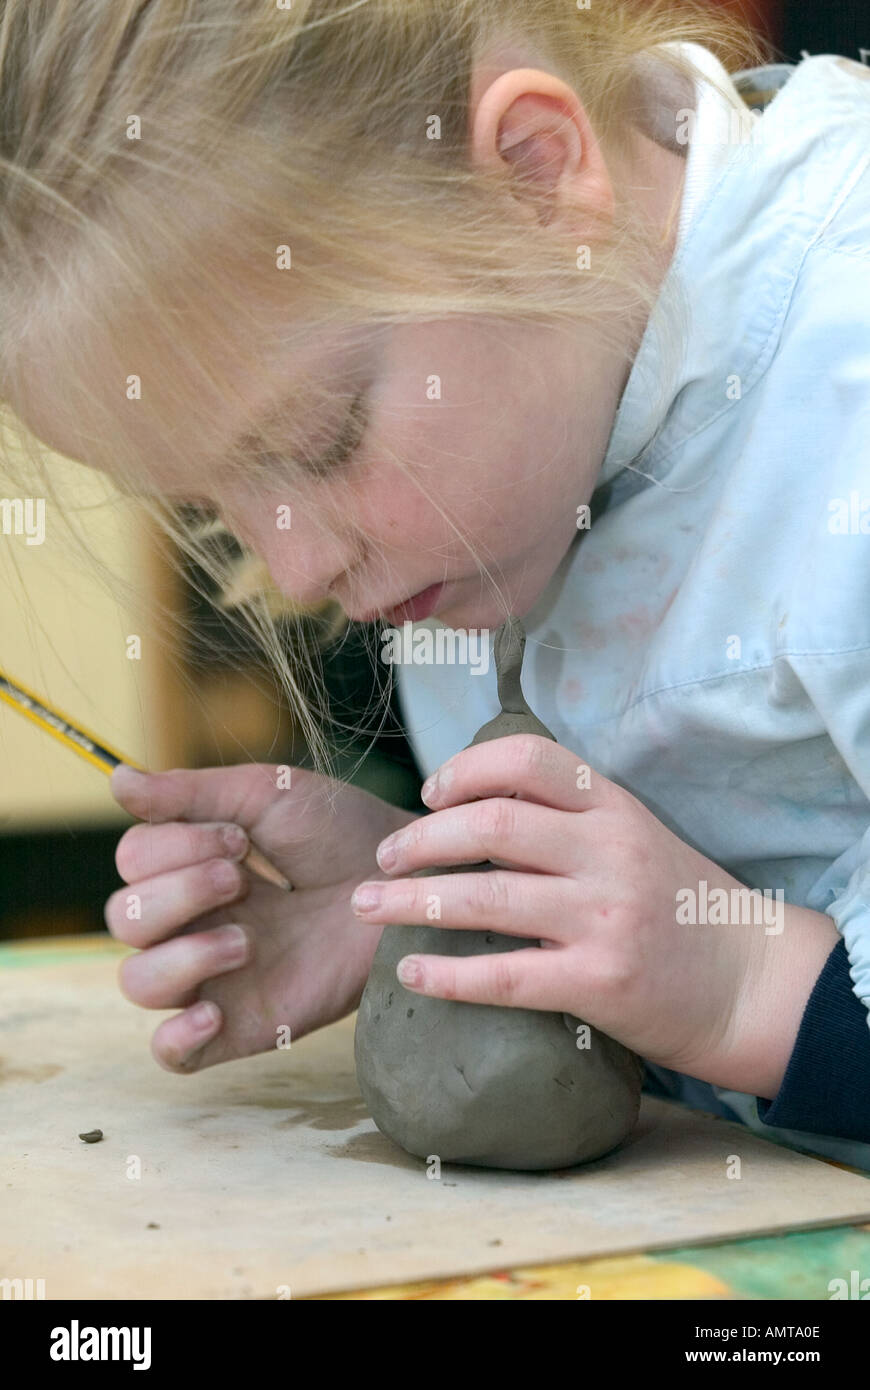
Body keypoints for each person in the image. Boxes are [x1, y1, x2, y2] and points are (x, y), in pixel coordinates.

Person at [2, 2, 869, 1166]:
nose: (301, 565)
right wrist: (429, 897)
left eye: (318, 442)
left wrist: (740, 986)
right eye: (211, 507)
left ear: (535, 176)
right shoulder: (505, 461)